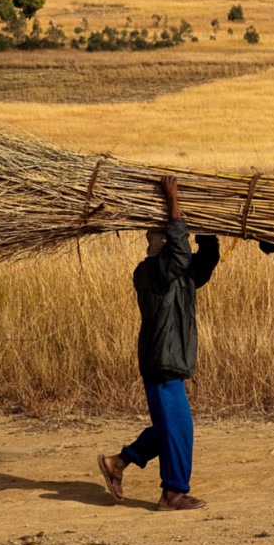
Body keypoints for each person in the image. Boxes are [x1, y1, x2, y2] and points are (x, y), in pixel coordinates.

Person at [98, 176, 221, 511]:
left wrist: (210, 226)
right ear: (162, 245)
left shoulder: (179, 276)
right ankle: (172, 494)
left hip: (170, 360)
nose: (181, 244)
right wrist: (172, 198)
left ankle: (118, 462)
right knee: (179, 427)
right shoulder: (152, 272)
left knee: (171, 425)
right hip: (161, 362)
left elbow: (205, 261)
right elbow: (180, 252)